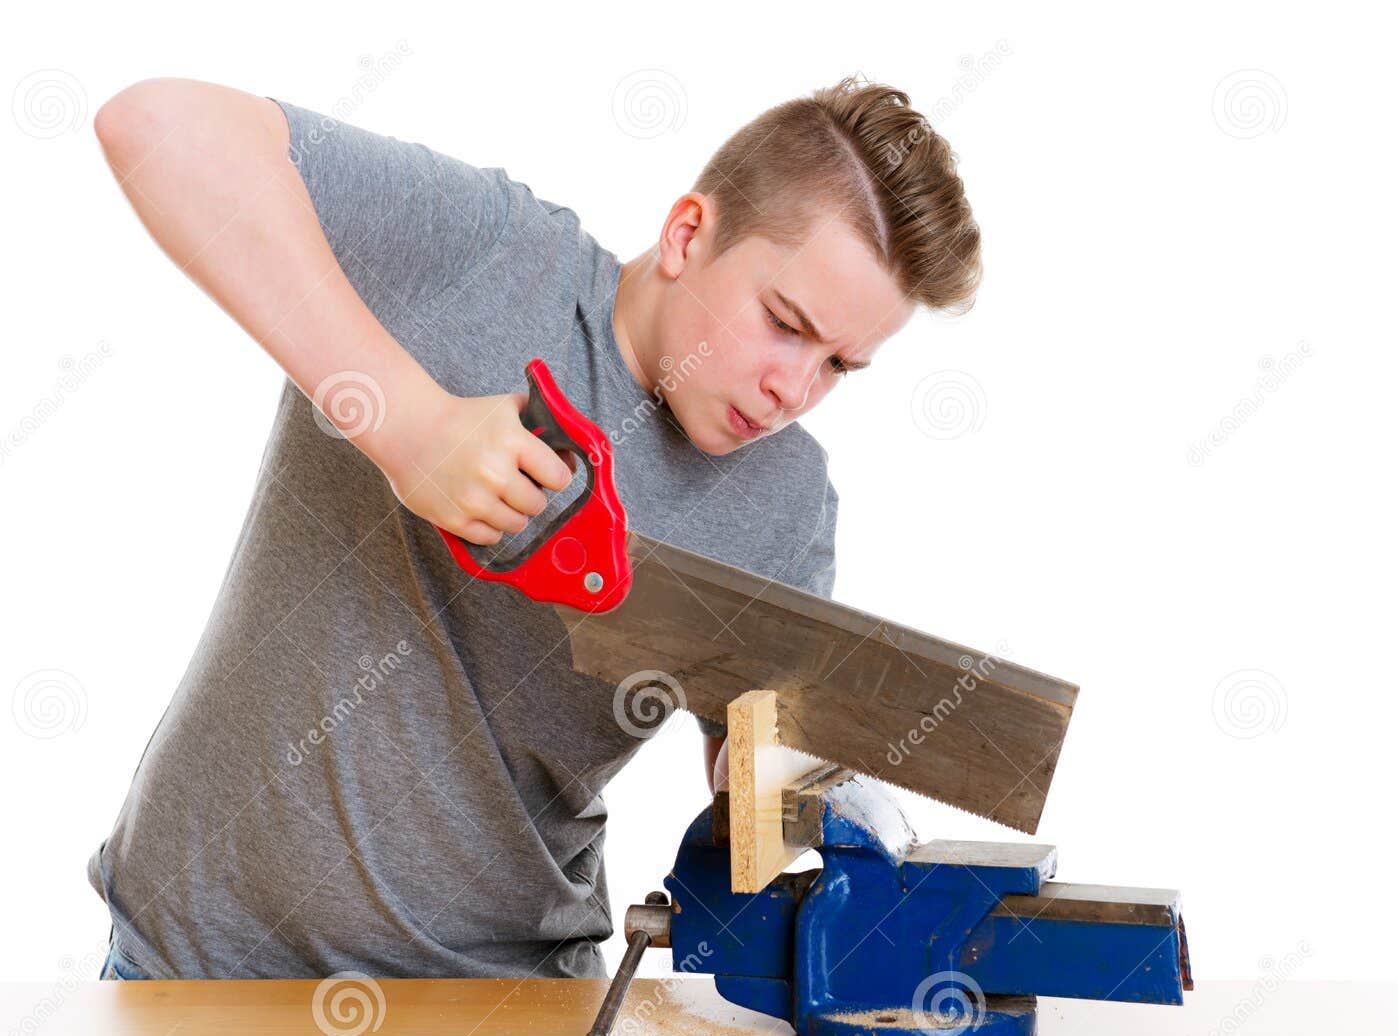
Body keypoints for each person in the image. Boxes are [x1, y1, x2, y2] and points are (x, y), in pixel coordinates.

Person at [87, 74, 982, 980]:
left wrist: (785, 784)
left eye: (840, 365)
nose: (794, 390)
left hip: (503, 999)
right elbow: (155, 124)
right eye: (785, 325)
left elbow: (753, 775)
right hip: (192, 957)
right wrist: (410, 426)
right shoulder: (491, 253)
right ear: (686, 235)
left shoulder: (789, 506)